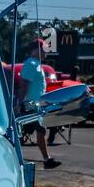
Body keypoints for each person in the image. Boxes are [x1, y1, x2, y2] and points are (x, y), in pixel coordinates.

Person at [18, 40, 60, 169]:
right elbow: (24, 85)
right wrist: (19, 104)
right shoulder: (31, 64)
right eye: (43, 49)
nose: (45, 52)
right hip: (31, 105)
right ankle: (46, 159)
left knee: (39, 131)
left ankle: (47, 159)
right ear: (36, 50)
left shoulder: (36, 64)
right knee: (35, 131)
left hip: (36, 104)